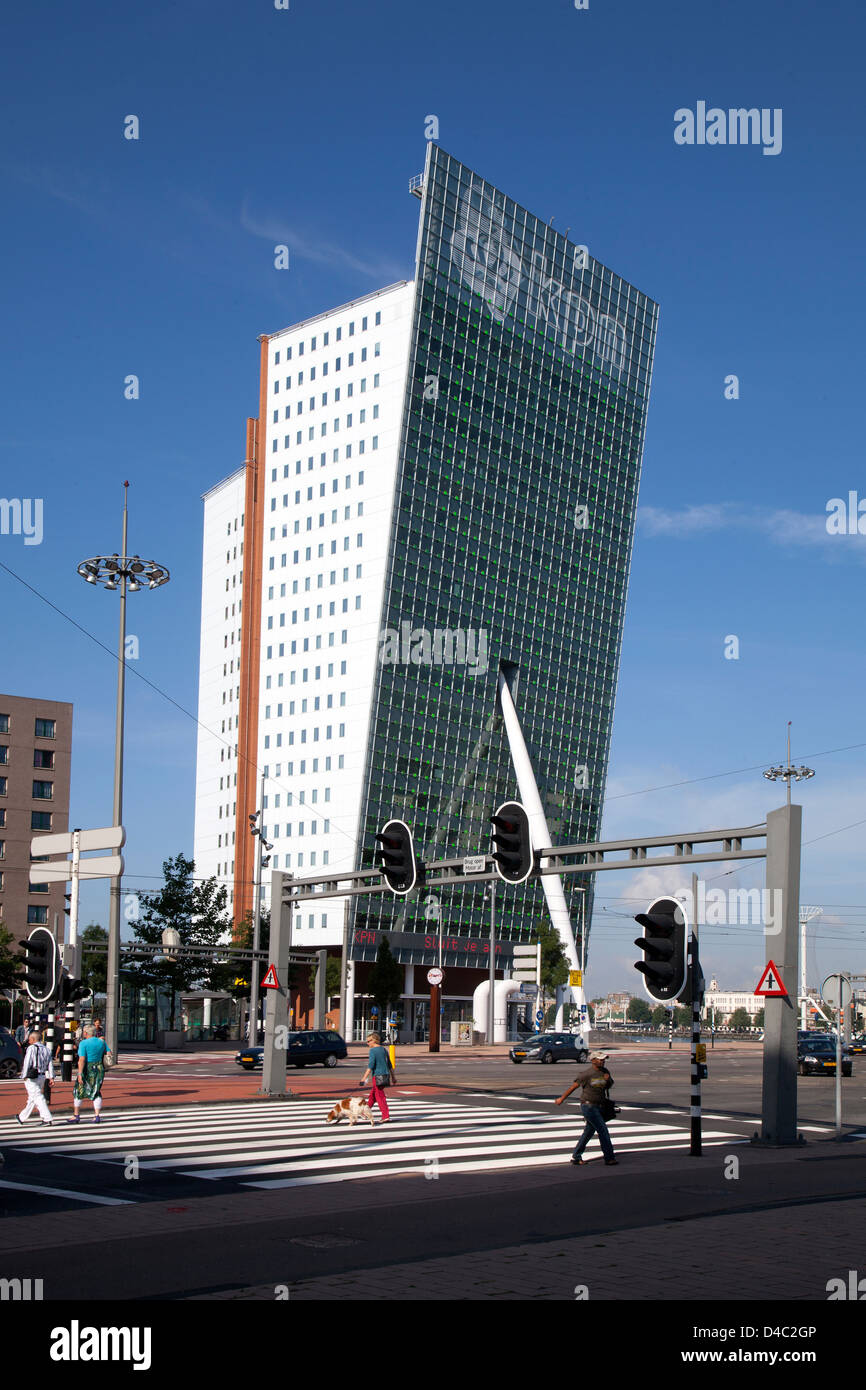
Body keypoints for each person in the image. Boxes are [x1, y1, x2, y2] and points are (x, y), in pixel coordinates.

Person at [555, 1051, 618, 1166]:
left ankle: (576, 1156)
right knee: (603, 1130)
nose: (603, 1061)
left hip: (600, 1106)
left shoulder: (605, 1072)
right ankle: (609, 1157)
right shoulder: (586, 1074)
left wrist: (608, 1079)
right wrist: (561, 1098)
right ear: (593, 1060)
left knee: (589, 1132)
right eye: (600, 1059)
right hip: (588, 1106)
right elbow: (573, 1087)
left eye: (603, 1059)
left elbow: (608, 1086)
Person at [68, 1024, 111, 1124]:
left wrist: (79, 1073)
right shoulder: (101, 1042)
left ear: (85, 1033)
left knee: (79, 1090)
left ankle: (76, 1115)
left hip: (88, 1068)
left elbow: (82, 1059)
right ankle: (96, 1115)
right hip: (99, 1068)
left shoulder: (83, 1043)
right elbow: (109, 1053)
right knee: (96, 1090)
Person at [17, 1030, 55, 1126]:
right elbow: (50, 1064)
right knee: (32, 1097)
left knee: (37, 1096)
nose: (29, 1041)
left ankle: (47, 1118)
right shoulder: (47, 1049)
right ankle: (22, 1117)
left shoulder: (31, 1048)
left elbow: (27, 1062)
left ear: (33, 1039)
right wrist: (51, 1077)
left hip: (32, 1075)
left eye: (29, 1039)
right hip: (42, 1076)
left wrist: (24, 1075)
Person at [360, 1031, 394, 1124]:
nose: (367, 1043)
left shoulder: (373, 1051)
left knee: (380, 1096)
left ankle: (385, 1115)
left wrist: (363, 1078)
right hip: (386, 1075)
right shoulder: (383, 1049)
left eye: (368, 1041)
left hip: (378, 1076)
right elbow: (389, 1064)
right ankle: (365, 1112)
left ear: (374, 1040)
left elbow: (370, 1065)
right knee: (373, 1095)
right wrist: (393, 1077)